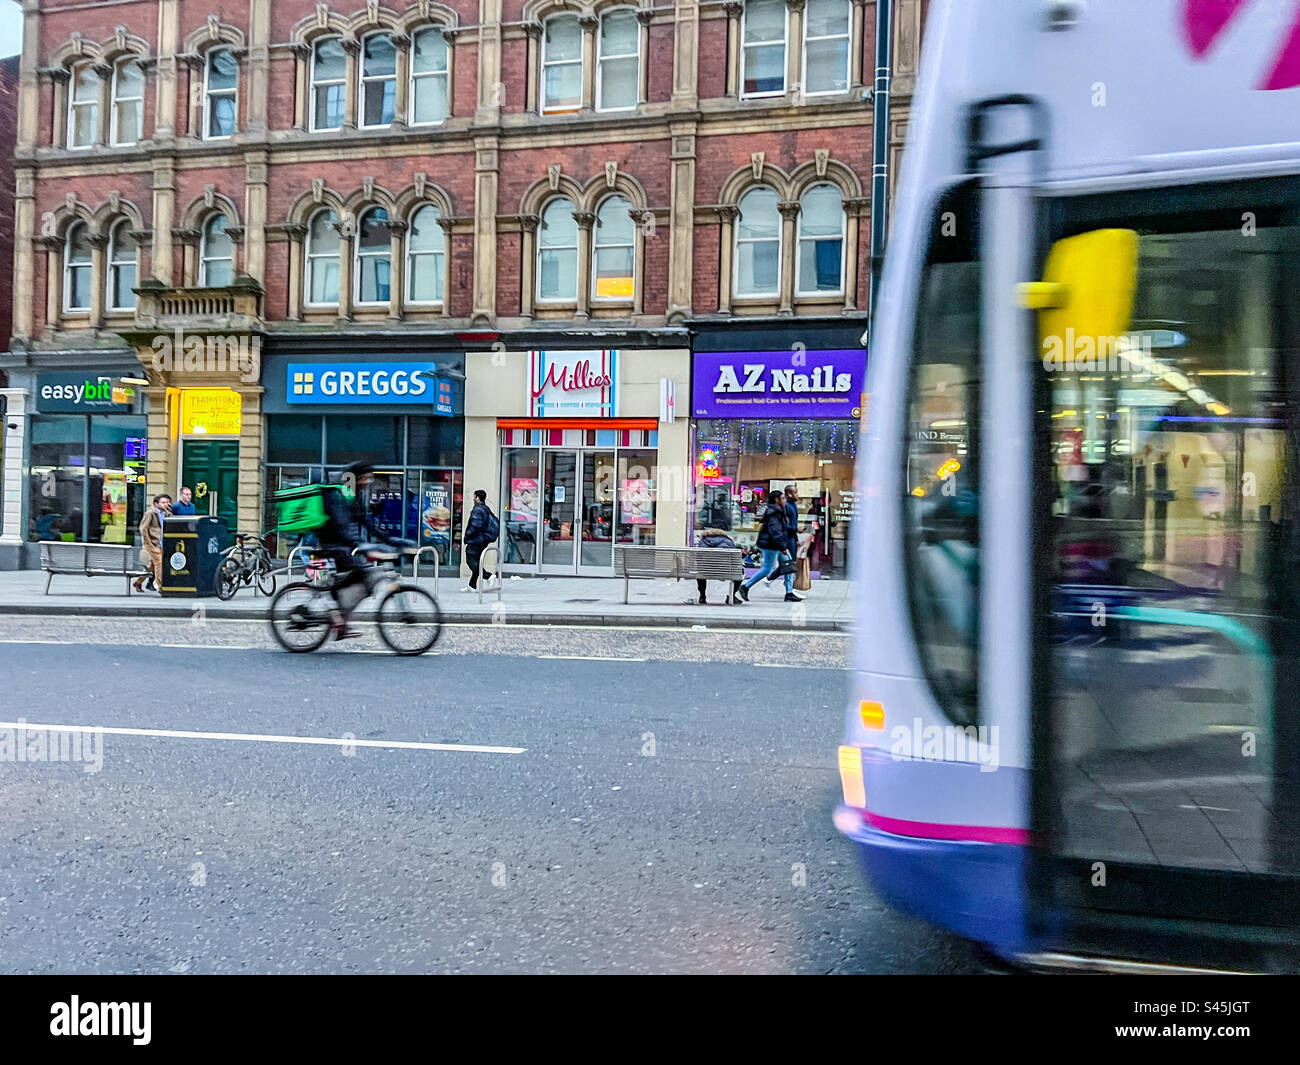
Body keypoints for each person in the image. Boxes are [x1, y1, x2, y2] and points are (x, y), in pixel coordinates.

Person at [317, 461, 380, 638]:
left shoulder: (353, 494)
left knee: (361, 578)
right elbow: (341, 522)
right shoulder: (341, 493)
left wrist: (387, 538)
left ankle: (339, 617)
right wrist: (357, 544)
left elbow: (363, 521)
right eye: (367, 477)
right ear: (358, 477)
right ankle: (334, 609)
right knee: (360, 574)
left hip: (341, 543)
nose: (369, 481)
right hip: (331, 543)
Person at [738, 489, 802, 602]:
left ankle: (789, 592)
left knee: (789, 566)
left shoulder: (778, 511)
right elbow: (775, 532)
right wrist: (782, 547)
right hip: (771, 545)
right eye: (782, 498)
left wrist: (794, 531)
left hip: (775, 544)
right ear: (777, 500)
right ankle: (745, 587)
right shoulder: (774, 513)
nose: (784, 500)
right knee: (767, 568)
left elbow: (783, 528)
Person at [462, 489, 499, 592]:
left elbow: (475, 525)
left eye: (474, 496)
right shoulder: (485, 508)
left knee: (471, 561)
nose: (473, 498)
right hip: (482, 539)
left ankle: (488, 576)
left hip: (476, 540)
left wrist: (467, 537)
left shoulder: (478, 510)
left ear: (477, 498)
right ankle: (471, 586)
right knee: (476, 561)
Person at [696, 528, 744, 605]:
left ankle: (702, 596)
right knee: (740, 571)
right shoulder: (728, 541)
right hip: (725, 570)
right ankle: (732, 595)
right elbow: (735, 559)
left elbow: (698, 558)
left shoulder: (703, 541)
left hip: (706, 570)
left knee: (700, 569)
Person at [134, 494, 171, 592]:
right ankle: (161, 586)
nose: (166, 504)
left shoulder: (167, 513)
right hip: (152, 543)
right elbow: (143, 528)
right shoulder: (150, 513)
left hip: (162, 543)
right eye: (163, 502)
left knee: (152, 566)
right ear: (156, 504)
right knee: (159, 562)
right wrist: (148, 542)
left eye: (167, 502)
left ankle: (138, 582)